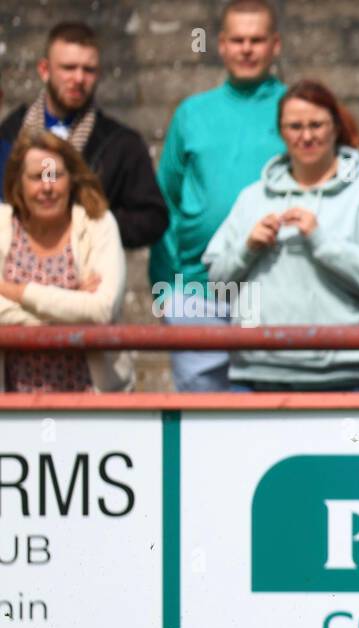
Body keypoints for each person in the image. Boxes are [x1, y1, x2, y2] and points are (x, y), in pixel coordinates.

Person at [202, 81, 359, 391]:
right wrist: (247, 248)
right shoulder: (252, 198)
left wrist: (322, 242)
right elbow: (217, 286)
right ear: (281, 132)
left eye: (317, 125)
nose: (307, 136)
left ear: (335, 127)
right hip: (257, 376)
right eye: (295, 126)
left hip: (345, 378)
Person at [149, 0, 286, 391]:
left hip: (270, 287)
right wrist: (166, 289)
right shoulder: (192, 113)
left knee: (265, 417)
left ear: (275, 45)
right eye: (238, 40)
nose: (247, 48)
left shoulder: (296, 110)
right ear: (221, 45)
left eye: (256, 40)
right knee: (199, 421)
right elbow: (167, 203)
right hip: (196, 291)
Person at [0, 22, 168, 251]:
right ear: (44, 70)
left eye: (88, 70)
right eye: (68, 68)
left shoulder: (120, 143)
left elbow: (153, 219)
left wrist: (88, 226)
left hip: (89, 271)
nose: (78, 78)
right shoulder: (8, 135)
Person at [0, 130, 131, 392]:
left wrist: (17, 292)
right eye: (37, 177)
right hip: (11, 406)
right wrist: (71, 302)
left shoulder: (98, 224)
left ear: (72, 179)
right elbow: (88, 312)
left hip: (91, 400)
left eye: (55, 175)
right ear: (18, 183)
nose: (47, 187)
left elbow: (101, 310)